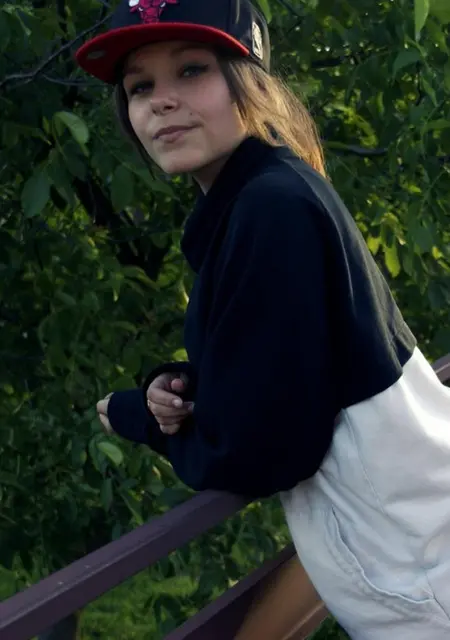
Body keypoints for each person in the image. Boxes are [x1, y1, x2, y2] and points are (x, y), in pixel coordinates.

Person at [76, 1, 450, 637]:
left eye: (191, 70)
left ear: (247, 82)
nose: (161, 101)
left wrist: (138, 417)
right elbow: (293, 365)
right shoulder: (270, 191)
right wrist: (187, 388)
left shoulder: (269, 208)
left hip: (421, 581)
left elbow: (262, 453)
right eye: (140, 87)